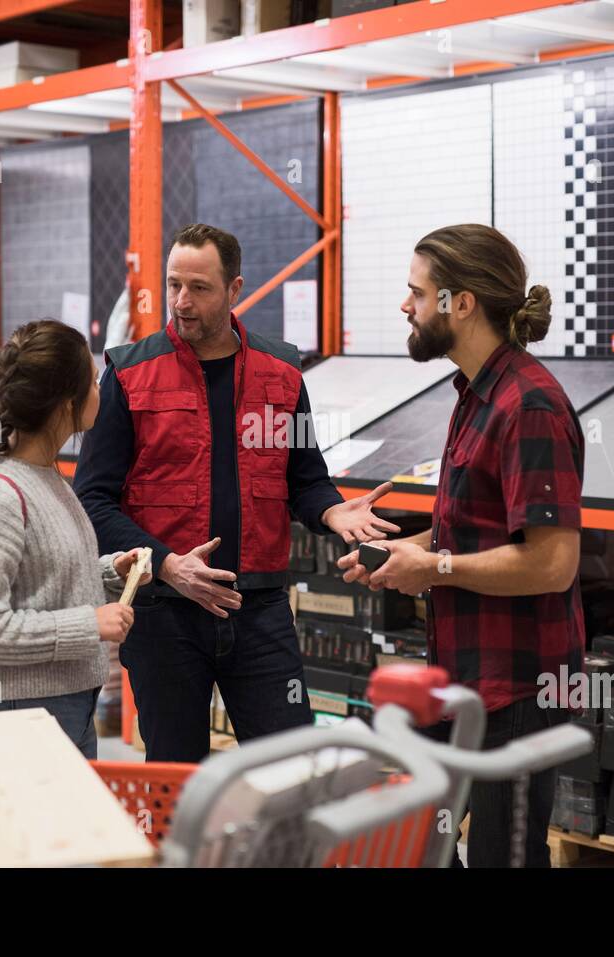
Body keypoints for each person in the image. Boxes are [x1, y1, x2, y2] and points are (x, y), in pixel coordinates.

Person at [75, 223, 399, 762]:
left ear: (234, 289)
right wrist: (166, 564)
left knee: (290, 771)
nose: (181, 301)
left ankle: (276, 853)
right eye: (174, 284)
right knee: (175, 782)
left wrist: (333, 511)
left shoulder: (282, 373)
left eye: (199, 288)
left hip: (260, 610)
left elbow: (305, 479)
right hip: (164, 614)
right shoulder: (129, 374)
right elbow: (92, 500)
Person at [338, 224, 586, 868]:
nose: (405, 306)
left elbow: (552, 563)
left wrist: (435, 565)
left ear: (461, 303)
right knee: (423, 843)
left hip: (520, 690)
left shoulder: (527, 405)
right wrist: (404, 557)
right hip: (462, 678)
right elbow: (472, 531)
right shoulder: (473, 394)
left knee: (505, 857)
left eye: (416, 293)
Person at [0, 319, 150, 759]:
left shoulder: (46, 478)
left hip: (64, 708)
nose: (100, 392)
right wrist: (89, 624)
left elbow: (39, 580)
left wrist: (111, 573)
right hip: (20, 713)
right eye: (92, 382)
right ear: (65, 404)